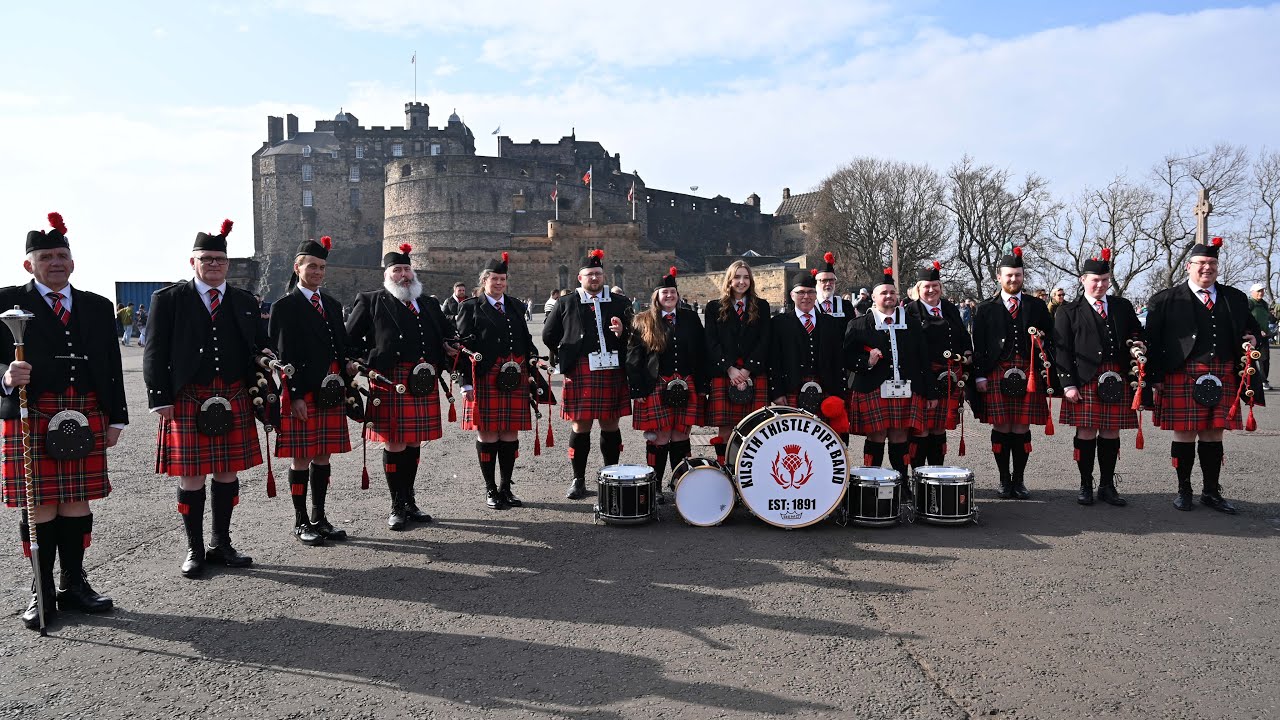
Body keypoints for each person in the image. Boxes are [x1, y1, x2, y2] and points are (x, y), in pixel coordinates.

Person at [1, 212, 126, 630]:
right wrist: (4, 376)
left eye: (61, 255)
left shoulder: (96, 305)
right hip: (32, 413)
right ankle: (41, 589)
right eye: (46, 256)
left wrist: (117, 419)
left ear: (72, 261)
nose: (55, 262)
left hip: (85, 410)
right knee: (39, 504)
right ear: (28, 264)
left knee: (76, 501)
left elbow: (110, 365)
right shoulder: (5, 302)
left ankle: (74, 584)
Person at [145, 219, 265, 577]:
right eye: (207, 258)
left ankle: (221, 543)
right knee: (192, 475)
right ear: (193, 262)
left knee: (227, 472)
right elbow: (154, 351)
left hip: (232, 392)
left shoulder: (244, 301)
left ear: (227, 264)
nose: (214, 264)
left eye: (219, 259)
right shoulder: (168, 299)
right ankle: (194, 548)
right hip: (188, 394)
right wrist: (159, 397)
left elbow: (259, 345)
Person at [345, 243, 458, 529]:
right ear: (387, 275)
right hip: (391, 380)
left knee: (414, 441)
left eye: (408, 269)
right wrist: (369, 363)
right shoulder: (371, 300)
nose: (404, 275)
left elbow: (447, 334)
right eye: (398, 270)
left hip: (423, 381)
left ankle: (410, 500)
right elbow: (349, 342)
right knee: (394, 443)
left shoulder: (429, 303)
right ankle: (396, 504)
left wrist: (449, 347)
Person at [1146, 238, 1260, 513]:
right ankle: (1184, 490)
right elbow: (1153, 342)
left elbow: (1253, 330)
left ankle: (1211, 491)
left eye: (1212, 263)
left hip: (1222, 372)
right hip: (1182, 373)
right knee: (1184, 433)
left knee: (1214, 434)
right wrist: (1156, 377)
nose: (1206, 268)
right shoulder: (1165, 300)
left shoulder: (1234, 298)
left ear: (1218, 267)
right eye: (1201, 263)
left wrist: (1253, 339)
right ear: (1189, 266)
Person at [269, 236, 357, 545]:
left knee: (323, 454)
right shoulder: (285, 306)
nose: (317, 272)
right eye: (311, 266)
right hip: (303, 391)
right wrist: (293, 396)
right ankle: (300, 520)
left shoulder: (331, 304)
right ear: (298, 267)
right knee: (301, 457)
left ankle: (319, 516)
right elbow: (283, 355)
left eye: (321, 267)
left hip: (330, 389)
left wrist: (348, 365)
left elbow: (341, 345)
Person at [1052, 249, 1143, 507]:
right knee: (1086, 431)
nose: (1100, 284)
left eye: (1105, 280)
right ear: (1083, 280)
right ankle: (1085, 484)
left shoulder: (1122, 306)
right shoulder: (1068, 310)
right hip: (1085, 378)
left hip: (1117, 377)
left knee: (1111, 432)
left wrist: (1138, 342)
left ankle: (1107, 485)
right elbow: (1061, 349)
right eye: (1095, 280)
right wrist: (1068, 383)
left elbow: (1137, 331)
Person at [543, 249, 632, 500]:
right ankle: (578, 479)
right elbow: (548, 336)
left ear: (604, 276)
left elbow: (635, 336)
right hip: (582, 369)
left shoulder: (620, 303)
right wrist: (567, 352)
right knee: (581, 425)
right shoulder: (567, 302)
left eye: (598, 274)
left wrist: (622, 333)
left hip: (612, 368)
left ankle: (611, 476)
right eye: (590, 274)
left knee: (610, 423)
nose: (594, 278)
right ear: (579, 277)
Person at [456, 252, 541, 510]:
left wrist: (534, 357)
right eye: (494, 279)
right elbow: (462, 346)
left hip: (514, 373)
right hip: (485, 375)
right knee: (488, 434)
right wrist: (464, 383)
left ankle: (506, 487)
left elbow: (526, 339)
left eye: (503, 279)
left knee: (509, 434)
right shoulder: (470, 306)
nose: (499, 283)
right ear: (484, 280)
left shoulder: (515, 305)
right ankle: (490, 488)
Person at [969, 247, 1055, 499]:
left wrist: (1042, 342)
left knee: (1021, 427)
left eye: (1018, 275)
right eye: (1008, 275)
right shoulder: (985, 308)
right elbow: (980, 344)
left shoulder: (1037, 306)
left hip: (1028, 372)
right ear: (999, 277)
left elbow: (1050, 337)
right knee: (1002, 426)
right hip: (997, 371)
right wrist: (981, 375)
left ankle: (1019, 480)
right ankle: (1004, 480)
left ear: (1023, 276)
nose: (1013, 279)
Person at [844, 269, 930, 488]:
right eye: (884, 293)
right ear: (873, 297)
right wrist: (867, 362)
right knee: (876, 435)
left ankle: (901, 484)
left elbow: (922, 358)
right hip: (873, 387)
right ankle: (870, 484)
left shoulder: (911, 323)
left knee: (900, 435)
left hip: (906, 387)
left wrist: (927, 390)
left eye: (892, 292)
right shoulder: (859, 324)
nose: (889, 296)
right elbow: (846, 357)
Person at [627, 268, 705, 499]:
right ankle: (656, 484)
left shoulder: (690, 318)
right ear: (656, 296)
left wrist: (702, 386)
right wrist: (638, 388)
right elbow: (633, 357)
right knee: (660, 437)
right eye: (665, 292)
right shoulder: (643, 320)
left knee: (681, 434)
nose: (669, 296)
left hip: (686, 383)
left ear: (677, 294)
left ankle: (681, 483)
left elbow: (701, 354)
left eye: (673, 291)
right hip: (656, 385)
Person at [703, 260, 771, 465]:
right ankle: (724, 469)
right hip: (724, 373)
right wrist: (730, 369)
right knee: (724, 428)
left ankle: (748, 471)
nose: (742, 282)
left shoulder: (762, 306)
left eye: (746, 277)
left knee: (754, 427)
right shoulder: (714, 307)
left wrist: (747, 369)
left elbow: (765, 340)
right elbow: (710, 342)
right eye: (737, 277)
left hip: (754, 372)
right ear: (729, 280)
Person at [905, 261, 972, 468]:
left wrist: (967, 351)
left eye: (935, 286)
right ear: (918, 289)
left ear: (940, 287)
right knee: (921, 428)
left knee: (939, 428)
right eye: (926, 286)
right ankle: (918, 476)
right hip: (922, 376)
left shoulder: (950, 308)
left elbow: (962, 334)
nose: (931, 290)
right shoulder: (910, 311)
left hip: (949, 376)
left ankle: (936, 475)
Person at [769, 271, 846, 414]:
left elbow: (838, 360)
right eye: (801, 293)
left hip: (825, 388)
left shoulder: (831, 323)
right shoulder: (779, 323)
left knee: (823, 435)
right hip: (791, 388)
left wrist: (839, 392)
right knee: (791, 435)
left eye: (811, 292)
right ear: (792, 295)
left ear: (816, 295)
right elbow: (774, 360)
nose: (806, 297)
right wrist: (777, 392)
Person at [1249, 283, 1272, 390]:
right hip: (1252, 335)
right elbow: (1246, 319)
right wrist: (1257, 330)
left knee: (1264, 359)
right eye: (1258, 291)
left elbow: (1267, 318)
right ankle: (1248, 382)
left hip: (1264, 336)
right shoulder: (1249, 303)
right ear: (1252, 292)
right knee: (1249, 360)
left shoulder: (1264, 304)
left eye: (1262, 291)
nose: (1261, 293)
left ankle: (1263, 381)